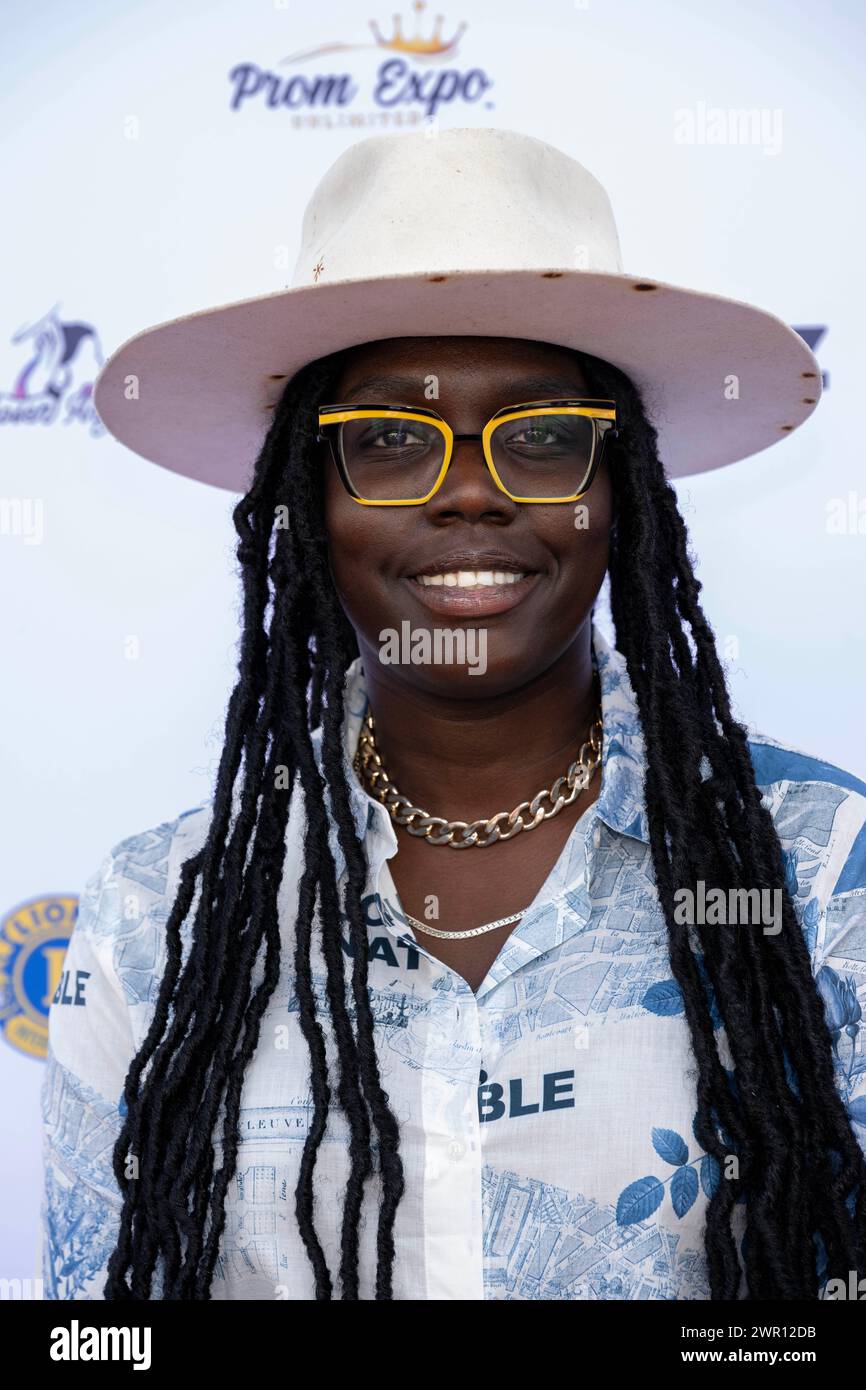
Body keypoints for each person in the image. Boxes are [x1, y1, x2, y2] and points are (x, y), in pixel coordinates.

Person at [42, 127, 866, 1302]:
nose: (469, 488)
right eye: (386, 442)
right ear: (305, 501)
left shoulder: (822, 865)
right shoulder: (150, 923)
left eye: (541, 440)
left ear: (616, 495)